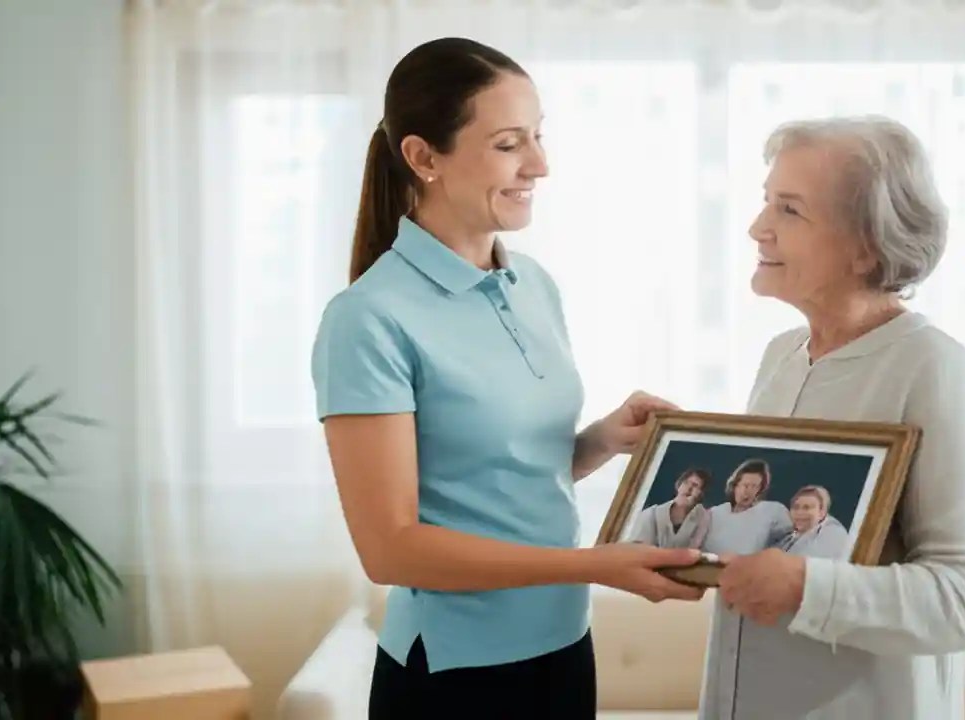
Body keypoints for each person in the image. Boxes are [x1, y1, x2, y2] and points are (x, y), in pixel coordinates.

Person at [310, 38, 703, 720]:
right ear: (423, 157)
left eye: (539, 138)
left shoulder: (532, 287)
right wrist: (592, 565)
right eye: (509, 143)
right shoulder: (368, 319)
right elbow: (390, 549)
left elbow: (500, 479)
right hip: (457, 675)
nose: (540, 165)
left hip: (562, 645)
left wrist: (603, 439)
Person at [703, 116, 965, 719]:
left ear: (866, 244)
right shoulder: (780, 356)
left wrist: (805, 587)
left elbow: (964, 601)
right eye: (766, 202)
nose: (757, 228)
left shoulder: (933, 367)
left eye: (789, 210)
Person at [700, 459, 793, 556]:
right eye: (746, 485)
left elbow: (791, 538)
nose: (748, 492)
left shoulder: (772, 510)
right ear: (735, 485)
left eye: (754, 486)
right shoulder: (715, 513)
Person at [630, 468, 713, 549]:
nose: (688, 488)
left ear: (702, 493)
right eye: (686, 483)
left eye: (695, 485)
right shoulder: (652, 513)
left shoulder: (705, 519)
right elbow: (639, 549)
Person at [778, 485, 850, 559]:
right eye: (795, 507)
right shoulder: (787, 539)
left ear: (822, 512)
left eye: (807, 508)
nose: (799, 513)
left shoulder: (834, 532)